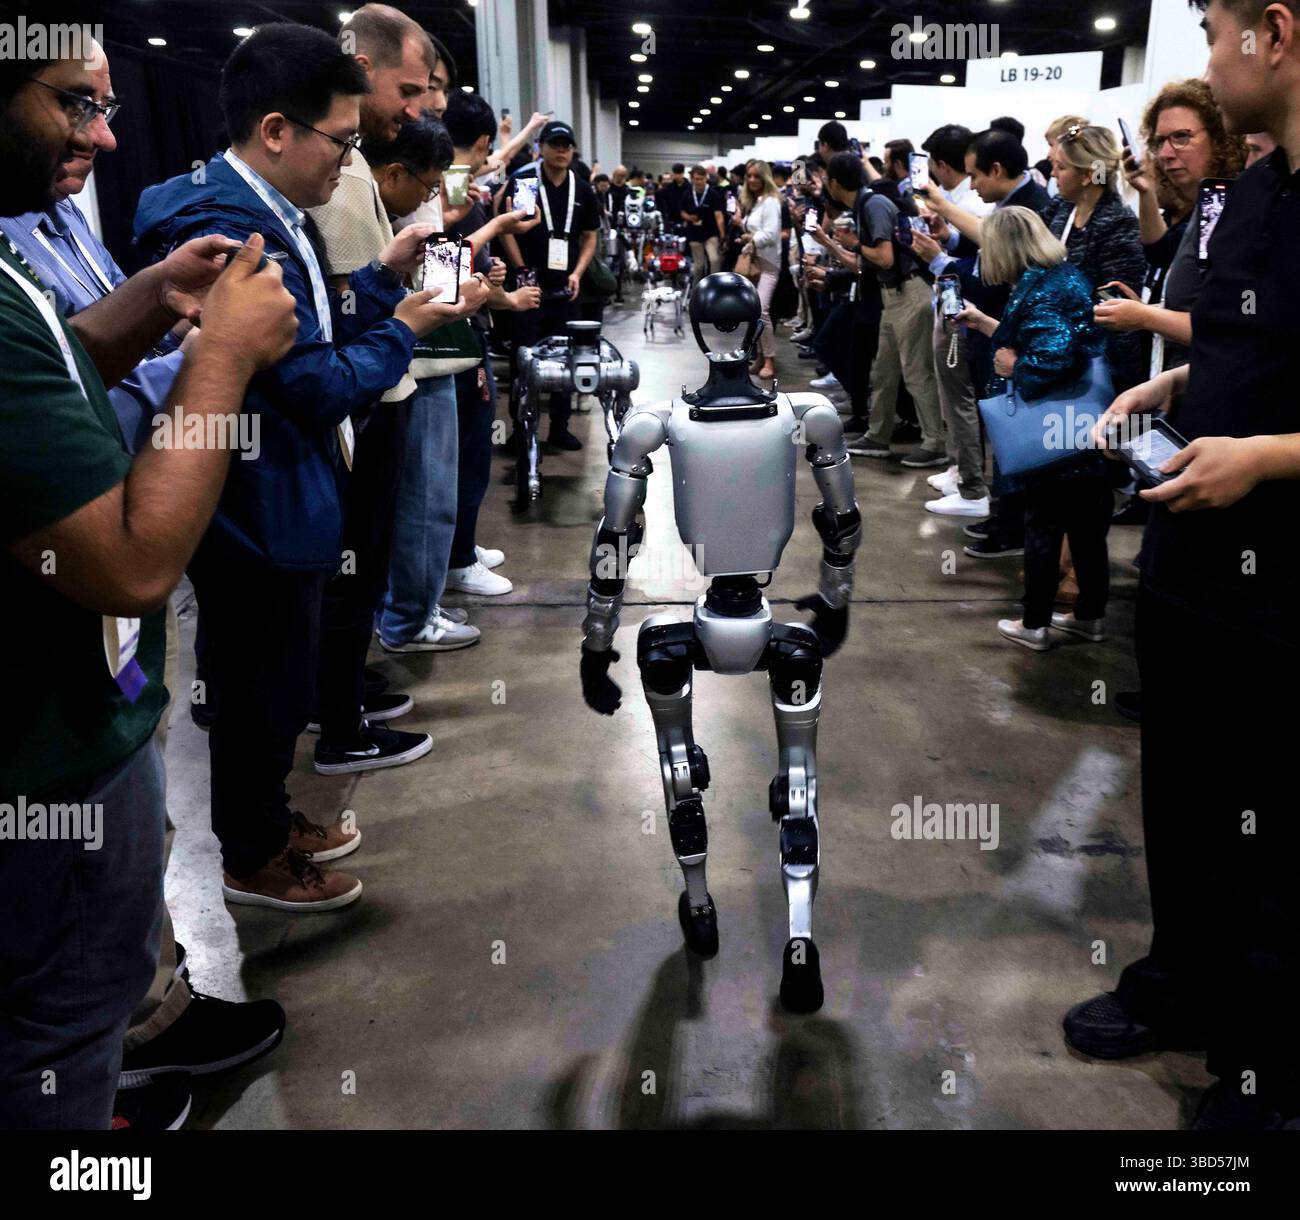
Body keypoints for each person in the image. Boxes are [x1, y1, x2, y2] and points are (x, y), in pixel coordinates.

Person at [0, 38, 297, 1130]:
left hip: (61, 733)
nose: (106, 135)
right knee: (62, 1029)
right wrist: (220, 358)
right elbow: (130, 565)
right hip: (49, 753)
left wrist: (145, 303)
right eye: (73, 103)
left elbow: (48, 377)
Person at [133, 22, 465, 910]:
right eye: (342, 143)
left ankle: (269, 819)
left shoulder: (275, 214)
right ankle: (253, 852)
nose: (347, 163)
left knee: (270, 678)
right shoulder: (232, 231)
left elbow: (314, 328)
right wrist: (406, 332)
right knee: (260, 687)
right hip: (260, 493)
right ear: (277, 131)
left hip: (281, 487)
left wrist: (382, 282)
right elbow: (314, 385)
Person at [1069, 0, 1300, 1131]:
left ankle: (1268, 1064)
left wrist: (1265, 454)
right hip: (1192, 553)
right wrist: (1167, 386)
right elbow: (1238, 333)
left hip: (1280, 570)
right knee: (1189, 793)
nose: (1204, 61)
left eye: (1211, 31)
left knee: (1270, 819)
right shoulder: (1253, 194)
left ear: (1274, 31)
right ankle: (1189, 980)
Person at [305, 4, 469, 767]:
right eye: (409, 90)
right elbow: (343, 316)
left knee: (360, 565)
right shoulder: (341, 182)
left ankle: (345, 692)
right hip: (362, 396)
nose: (419, 107)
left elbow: (362, 290)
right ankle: (339, 724)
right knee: (352, 566)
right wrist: (409, 316)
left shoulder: (364, 169)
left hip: (376, 385)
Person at [954, 207, 1109, 651]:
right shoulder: (1062, 278)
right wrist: (986, 324)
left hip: (1053, 436)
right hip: (1084, 430)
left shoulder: (1041, 292)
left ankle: (1035, 623)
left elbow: (1054, 357)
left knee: (1043, 524)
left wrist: (1014, 366)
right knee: (1085, 528)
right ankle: (1089, 615)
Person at [443, 90, 542, 608]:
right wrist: (505, 295)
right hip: (451, 341)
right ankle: (456, 560)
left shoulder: (454, 179)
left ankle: (460, 547)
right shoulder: (450, 184)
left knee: (469, 453)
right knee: (466, 453)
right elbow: (446, 263)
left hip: (459, 334)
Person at [499, 119, 599, 451]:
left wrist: (578, 273)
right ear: (540, 147)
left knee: (567, 359)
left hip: (565, 290)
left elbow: (589, 236)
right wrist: (521, 268)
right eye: (554, 144)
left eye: (566, 145)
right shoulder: (526, 182)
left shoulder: (582, 188)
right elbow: (507, 230)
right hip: (529, 290)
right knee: (523, 358)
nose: (561, 150)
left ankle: (559, 427)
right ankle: (520, 428)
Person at [1042, 123, 1145, 392]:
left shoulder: (1118, 223)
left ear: (1087, 175)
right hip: (1063, 352)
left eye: (1061, 167)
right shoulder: (1063, 208)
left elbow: (1117, 311)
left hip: (1102, 370)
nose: (1053, 175)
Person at [737, 159, 783, 382]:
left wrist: (751, 240)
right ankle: (761, 356)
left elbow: (771, 234)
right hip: (755, 262)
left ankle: (770, 359)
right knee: (754, 311)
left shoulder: (771, 202)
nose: (752, 179)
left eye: (757, 175)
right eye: (749, 176)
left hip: (768, 264)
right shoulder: (756, 201)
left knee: (762, 310)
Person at [681, 163, 726, 283]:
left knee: (714, 259)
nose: (698, 182)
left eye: (701, 179)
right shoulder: (688, 193)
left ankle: (715, 285)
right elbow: (682, 212)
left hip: (710, 232)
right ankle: (696, 290)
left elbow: (719, 215)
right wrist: (689, 218)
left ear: (706, 178)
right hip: (694, 233)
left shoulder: (713, 194)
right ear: (692, 179)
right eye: (696, 179)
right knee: (699, 265)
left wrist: (722, 233)